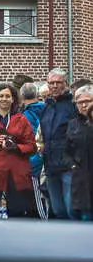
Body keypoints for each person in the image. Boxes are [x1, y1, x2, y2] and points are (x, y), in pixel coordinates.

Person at [0, 83, 36, 217]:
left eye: (8, 96)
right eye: (1, 96)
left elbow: (32, 146)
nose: (4, 99)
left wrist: (16, 147)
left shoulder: (22, 120)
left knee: (17, 211)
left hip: (16, 172)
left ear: (13, 99)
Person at [40, 68, 77, 219]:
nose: (54, 86)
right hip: (50, 166)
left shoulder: (73, 106)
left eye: (58, 82)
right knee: (57, 210)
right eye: (51, 83)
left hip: (68, 166)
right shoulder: (46, 107)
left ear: (66, 84)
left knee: (71, 210)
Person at [64, 85, 93, 220]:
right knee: (83, 218)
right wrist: (73, 165)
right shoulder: (73, 124)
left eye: (87, 101)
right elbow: (66, 151)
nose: (84, 105)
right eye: (80, 102)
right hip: (81, 180)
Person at [21, 82, 47, 218]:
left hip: (34, 163)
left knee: (37, 201)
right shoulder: (47, 109)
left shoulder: (25, 116)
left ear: (22, 96)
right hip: (47, 159)